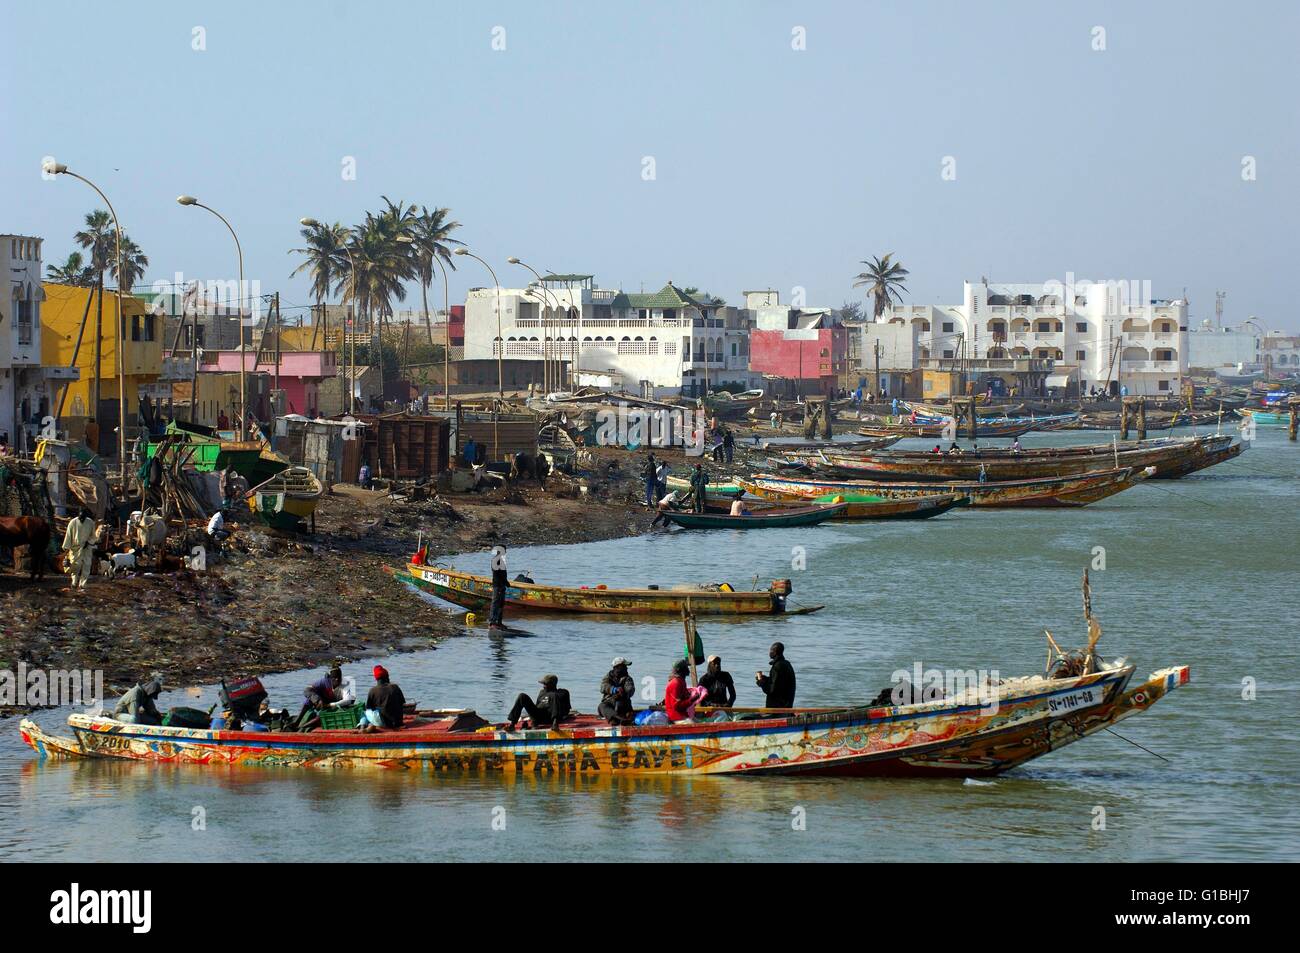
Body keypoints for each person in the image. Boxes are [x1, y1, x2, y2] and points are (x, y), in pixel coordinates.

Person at [505, 674, 571, 731]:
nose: (543, 686)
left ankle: (555, 724)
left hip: (550, 718)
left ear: (552, 684)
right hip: (539, 716)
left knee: (553, 695)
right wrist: (534, 721)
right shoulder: (542, 692)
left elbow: (567, 709)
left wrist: (561, 717)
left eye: (545, 684)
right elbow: (537, 706)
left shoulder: (562, 693)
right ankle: (512, 724)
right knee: (522, 696)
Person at [297, 665, 350, 729]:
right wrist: (317, 700)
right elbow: (307, 690)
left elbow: (347, 701)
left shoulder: (344, 685)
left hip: (338, 706)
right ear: (330, 678)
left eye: (339, 677)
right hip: (324, 702)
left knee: (324, 714)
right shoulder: (324, 681)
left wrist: (330, 705)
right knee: (308, 701)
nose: (337, 679)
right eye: (334, 678)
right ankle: (297, 721)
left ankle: (302, 727)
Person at [61, 508, 98, 590]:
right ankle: (74, 582)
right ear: (78, 515)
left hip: (87, 547)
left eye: (83, 518)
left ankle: (83, 584)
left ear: (85, 517)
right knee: (75, 565)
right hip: (75, 548)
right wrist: (66, 547)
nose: (82, 519)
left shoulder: (90, 522)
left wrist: (88, 542)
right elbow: (68, 535)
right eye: (80, 517)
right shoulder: (73, 522)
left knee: (87, 565)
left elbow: (93, 536)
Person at [361, 665, 406, 731]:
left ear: (376, 678)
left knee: (363, 712)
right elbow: (402, 704)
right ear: (387, 677)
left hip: (385, 723)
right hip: (398, 722)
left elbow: (369, 708)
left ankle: (362, 726)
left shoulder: (373, 691)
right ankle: (369, 726)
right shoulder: (395, 687)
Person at [756, 641, 796, 709]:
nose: (769, 652)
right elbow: (780, 683)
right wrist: (766, 679)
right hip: (787, 705)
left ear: (775, 652)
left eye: (771, 650)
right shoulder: (786, 664)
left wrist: (761, 683)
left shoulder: (777, 667)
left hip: (778, 709)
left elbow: (772, 690)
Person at [598, 657, 635, 725]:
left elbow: (631, 689)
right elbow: (603, 687)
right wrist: (614, 689)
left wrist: (623, 693)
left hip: (623, 703)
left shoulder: (628, 678)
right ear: (618, 667)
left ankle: (617, 718)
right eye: (624, 666)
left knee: (621, 704)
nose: (626, 668)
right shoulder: (608, 677)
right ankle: (615, 719)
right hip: (609, 702)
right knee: (602, 706)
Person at [488, 545, 508, 629]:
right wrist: (502, 583)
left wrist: (506, 582)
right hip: (497, 585)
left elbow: (502, 574)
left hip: (502, 585)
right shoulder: (496, 560)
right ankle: (493, 622)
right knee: (495, 603)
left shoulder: (501, 560)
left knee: (500, 604)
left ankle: (499, 622)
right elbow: (497, 574)